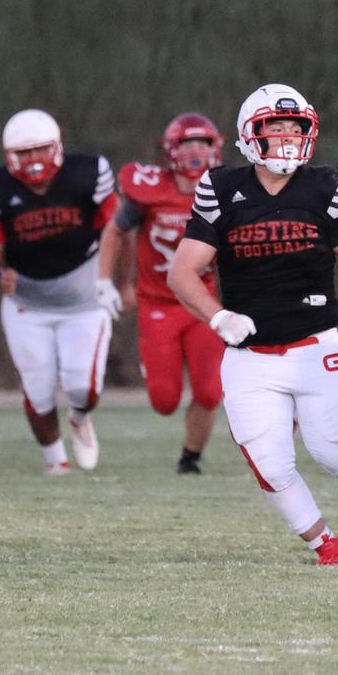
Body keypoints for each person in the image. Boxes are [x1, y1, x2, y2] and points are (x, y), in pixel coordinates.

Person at [168, 83, 338, 565]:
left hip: (315, 346)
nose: (285, 139)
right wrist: (218, 317)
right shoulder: (221, 189)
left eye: (294, 129)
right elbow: (181, 273)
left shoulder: (326, 186)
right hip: (250, 356)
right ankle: (326, 544)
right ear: (249, 134)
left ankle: (300, 415)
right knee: (269, 462)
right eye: (274, 129)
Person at [0, 109, 117, 474]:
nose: (33, 161)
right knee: (38, 391)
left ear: (57, 147)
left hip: (82, 299)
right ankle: (56, 465)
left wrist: (112, 281)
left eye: (40, 150)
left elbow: (116, 229)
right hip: (26, 304)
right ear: (9, 155)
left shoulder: (89, 172)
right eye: (24, 153)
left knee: (84, 388)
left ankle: (79, 419)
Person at [102, 111, 227, 474]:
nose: (195, 152)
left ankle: (190, 458)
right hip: (157, 305)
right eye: (186, 143)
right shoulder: (150, 190)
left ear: (216, 148)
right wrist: (109, 282)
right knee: (164, 400)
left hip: (202, 304)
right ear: (170, 150)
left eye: (202, 143)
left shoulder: (225, 190)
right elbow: (115, 231)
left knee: (208, 392)